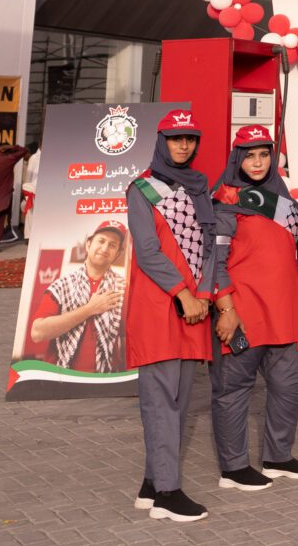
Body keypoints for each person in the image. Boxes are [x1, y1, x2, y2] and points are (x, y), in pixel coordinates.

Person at [124, 110, 222, 521]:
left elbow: (211, 246)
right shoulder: (142, 188)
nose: (184, 145)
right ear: (161, 142)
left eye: (190, 138)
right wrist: (183, 294)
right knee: (161, 401)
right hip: (160, 306)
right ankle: (167, 492)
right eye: (176, 138)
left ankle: (152, 484)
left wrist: (203, 295)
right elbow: (148, 252)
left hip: (194, 308)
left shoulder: (199, 187)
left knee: (177, 402)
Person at [208, 126, 298, 491]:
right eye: (250, 155)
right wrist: (226, 310)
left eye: (264, 155)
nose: (257, 162)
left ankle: (278, 456)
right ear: (237, 158)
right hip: (243, 314)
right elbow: (215, 262)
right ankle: (234, 468)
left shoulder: (284, 200)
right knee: (233, 388)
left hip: (287, 313)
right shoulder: (224, 200)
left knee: (290, 384)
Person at [25, 221, 127, 372]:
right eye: (101, 241)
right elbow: (37, 333)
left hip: (106, 378)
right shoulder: (62, 286)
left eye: (112, 245)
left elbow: (128, 339)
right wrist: (90, 309)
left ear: (118, 254)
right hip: (61, 376)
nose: (105, 248)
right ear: (88, 245)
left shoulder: (122, 289)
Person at [20, 143, 42, 236]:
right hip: (32, 190)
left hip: (44, 191)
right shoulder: (34, 158)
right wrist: (26, 190)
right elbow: (28, 177)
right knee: (30, 215)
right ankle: (29, 237)